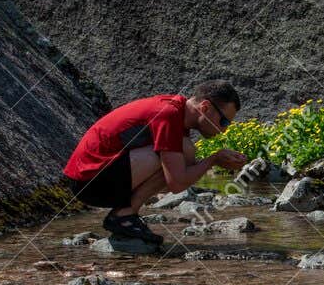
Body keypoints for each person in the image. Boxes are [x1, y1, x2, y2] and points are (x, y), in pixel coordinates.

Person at [62, 81, 249, 244]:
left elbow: (179, 176)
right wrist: (214, 159)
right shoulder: (168, 114)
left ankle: (125, 214)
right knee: (180, 157)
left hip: (99, 176)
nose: (223, 130)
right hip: (90, 181)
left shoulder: (177, 112)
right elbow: (176, 183)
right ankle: (123, 216)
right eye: (223, 121)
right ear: (205, 107)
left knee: (186, 152)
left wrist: (212, 162)